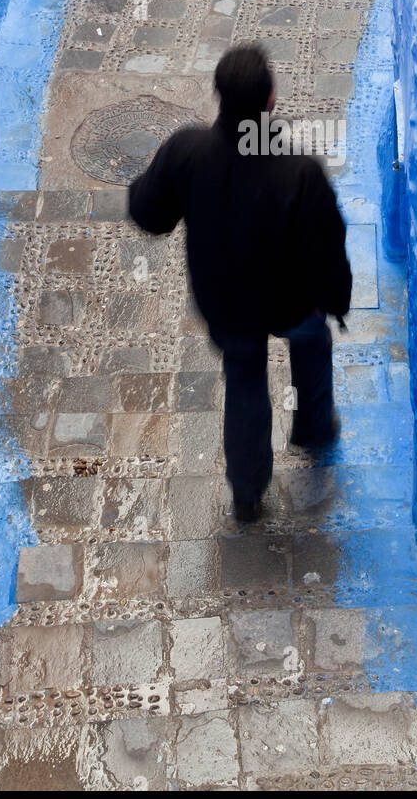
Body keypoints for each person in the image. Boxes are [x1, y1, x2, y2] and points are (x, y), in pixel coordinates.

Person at [128, 44, 353, 522]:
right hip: (293, 303)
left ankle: (248, 492)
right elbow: (328, 248)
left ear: (220, 95)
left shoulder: (186, 152)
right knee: (312, 342)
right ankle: (313, 429)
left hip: (226, 301)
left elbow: (148, 213)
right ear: (270, 99)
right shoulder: (299, 172)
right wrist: (334, 303)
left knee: (244, 376)